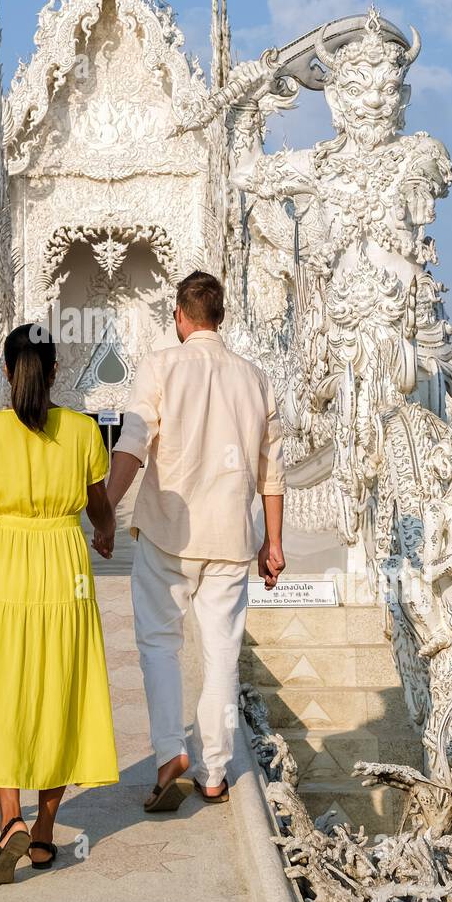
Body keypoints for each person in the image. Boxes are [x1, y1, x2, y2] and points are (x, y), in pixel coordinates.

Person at [103, 271, 286, 812]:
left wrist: (106, 510)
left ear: (180, 318)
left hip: (168, 535)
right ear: (220, 318)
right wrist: (272, 544)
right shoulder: (254, 378)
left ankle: (167, 754)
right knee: (222, 652)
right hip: (231, 536)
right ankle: (213, 771)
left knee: (161, 644)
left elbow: (133, 444)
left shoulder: (161, 366)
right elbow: (271, 471)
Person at [0, 323, 119, 885]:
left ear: (6, 370)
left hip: (4, 568)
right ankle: (45, 831)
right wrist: (105, 532)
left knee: (2, 693)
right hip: (65, 568)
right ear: (55, 371)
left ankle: (9, 820)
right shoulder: (81, 431)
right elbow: (100, 506)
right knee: (59, 692)